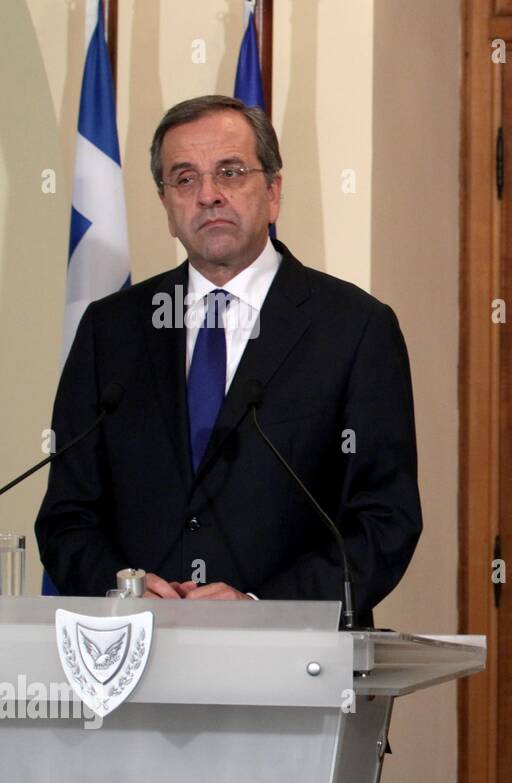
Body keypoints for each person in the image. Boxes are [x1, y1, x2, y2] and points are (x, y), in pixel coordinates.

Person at [36, 95, 420, 626]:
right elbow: (66, 516)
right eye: (185, 179)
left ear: (274, 192)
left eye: (231, 172)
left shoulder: (354, 329)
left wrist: (262, 610)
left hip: (296, 663)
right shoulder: (111, 330)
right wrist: (117, 588)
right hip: (135, 658)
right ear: (167, 205)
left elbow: (386, 519)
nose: (209, 196)